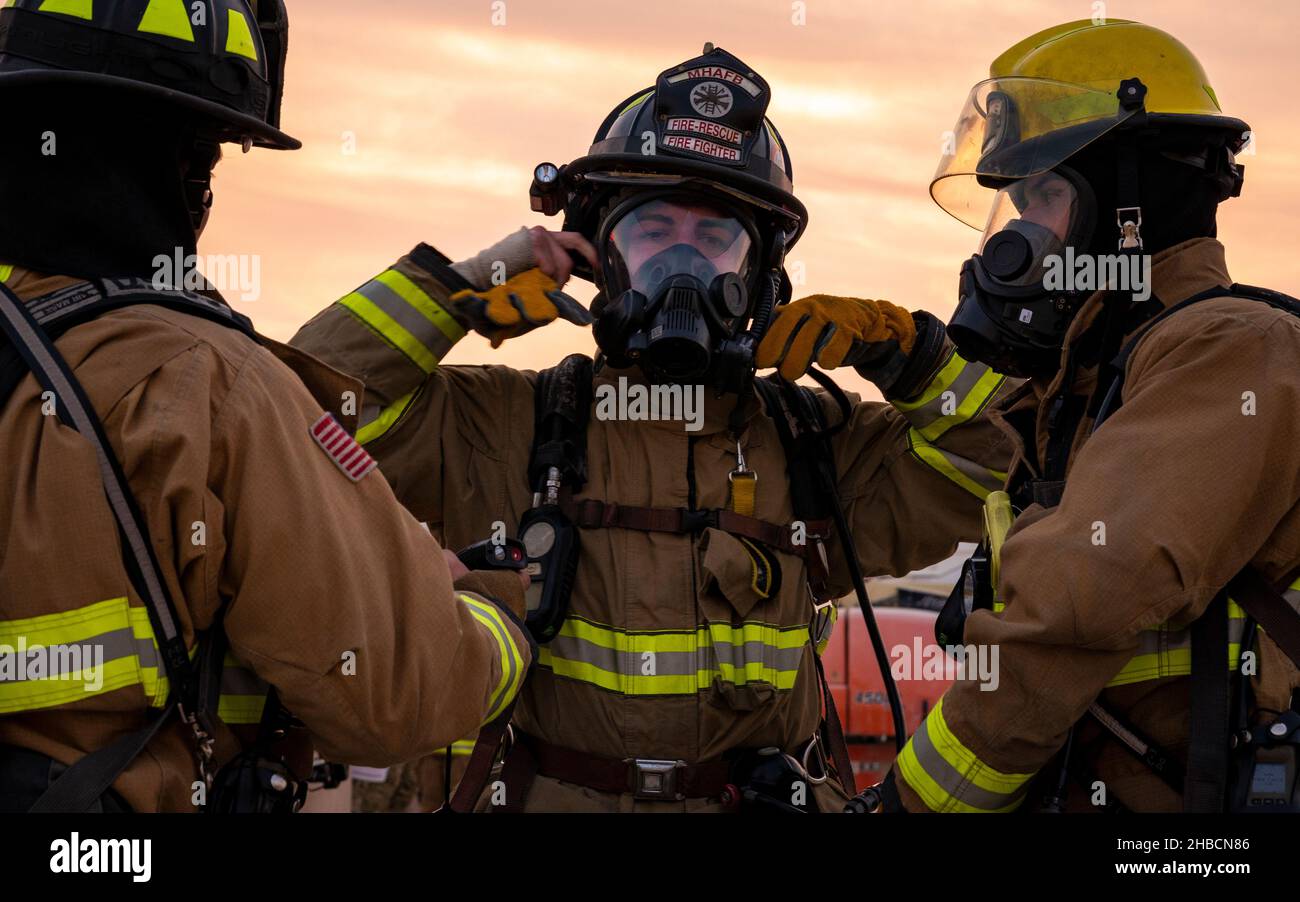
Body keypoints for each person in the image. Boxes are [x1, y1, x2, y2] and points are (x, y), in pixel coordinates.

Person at [291, 44, 1016, 813]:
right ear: (601, 257)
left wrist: (910, 355)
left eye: (713, 242)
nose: (683, 265)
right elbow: (304, 410)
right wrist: (457, 293)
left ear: (760, 276)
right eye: (654, 232)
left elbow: (997, 460)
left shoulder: (813, 442)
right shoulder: (502, 426)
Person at [0, 0, 532, 813]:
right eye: (207, 162)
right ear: (185, 171)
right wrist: (487, 613)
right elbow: (394, 698)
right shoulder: (207, 381)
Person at [877, 18, 1300, 813]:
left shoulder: (1231, 348)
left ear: (1130, 205)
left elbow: (1076, 602)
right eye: (1015, 204)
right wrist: (909, 362)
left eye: (1045, 197)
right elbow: (987, 441)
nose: (1018, 238)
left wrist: (912, 803)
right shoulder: (1101, 379)